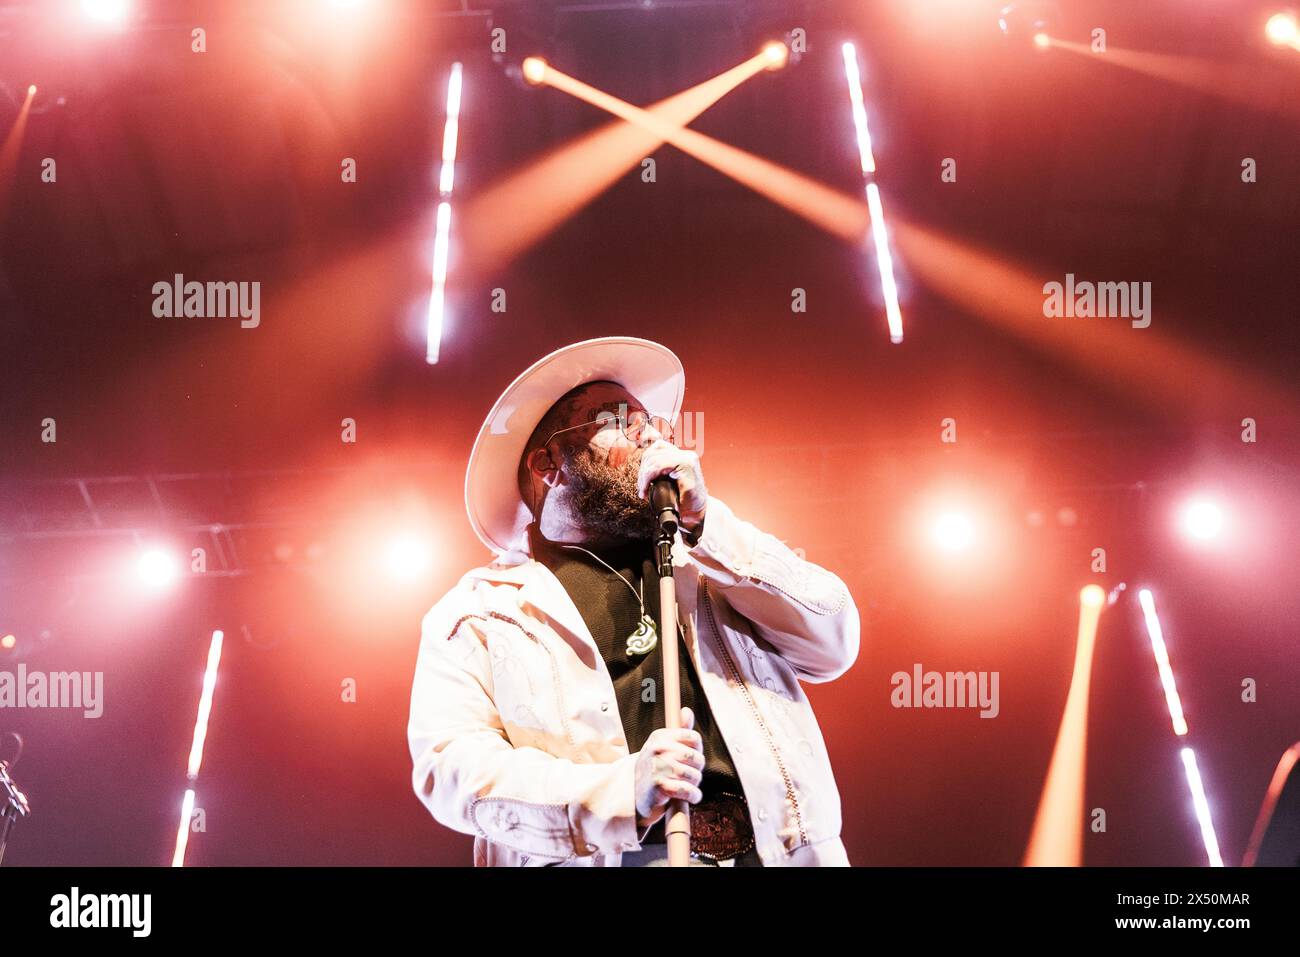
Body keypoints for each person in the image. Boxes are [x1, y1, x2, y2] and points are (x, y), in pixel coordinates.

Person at [407, 336, 860, 866]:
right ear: (548, 463)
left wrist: (707, 526)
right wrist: (621, 793)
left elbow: (835, 641)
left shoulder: (709, 560)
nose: (649, 436)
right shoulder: (478, 613)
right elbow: (453, 771)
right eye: (617, 421)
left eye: (650, 422)